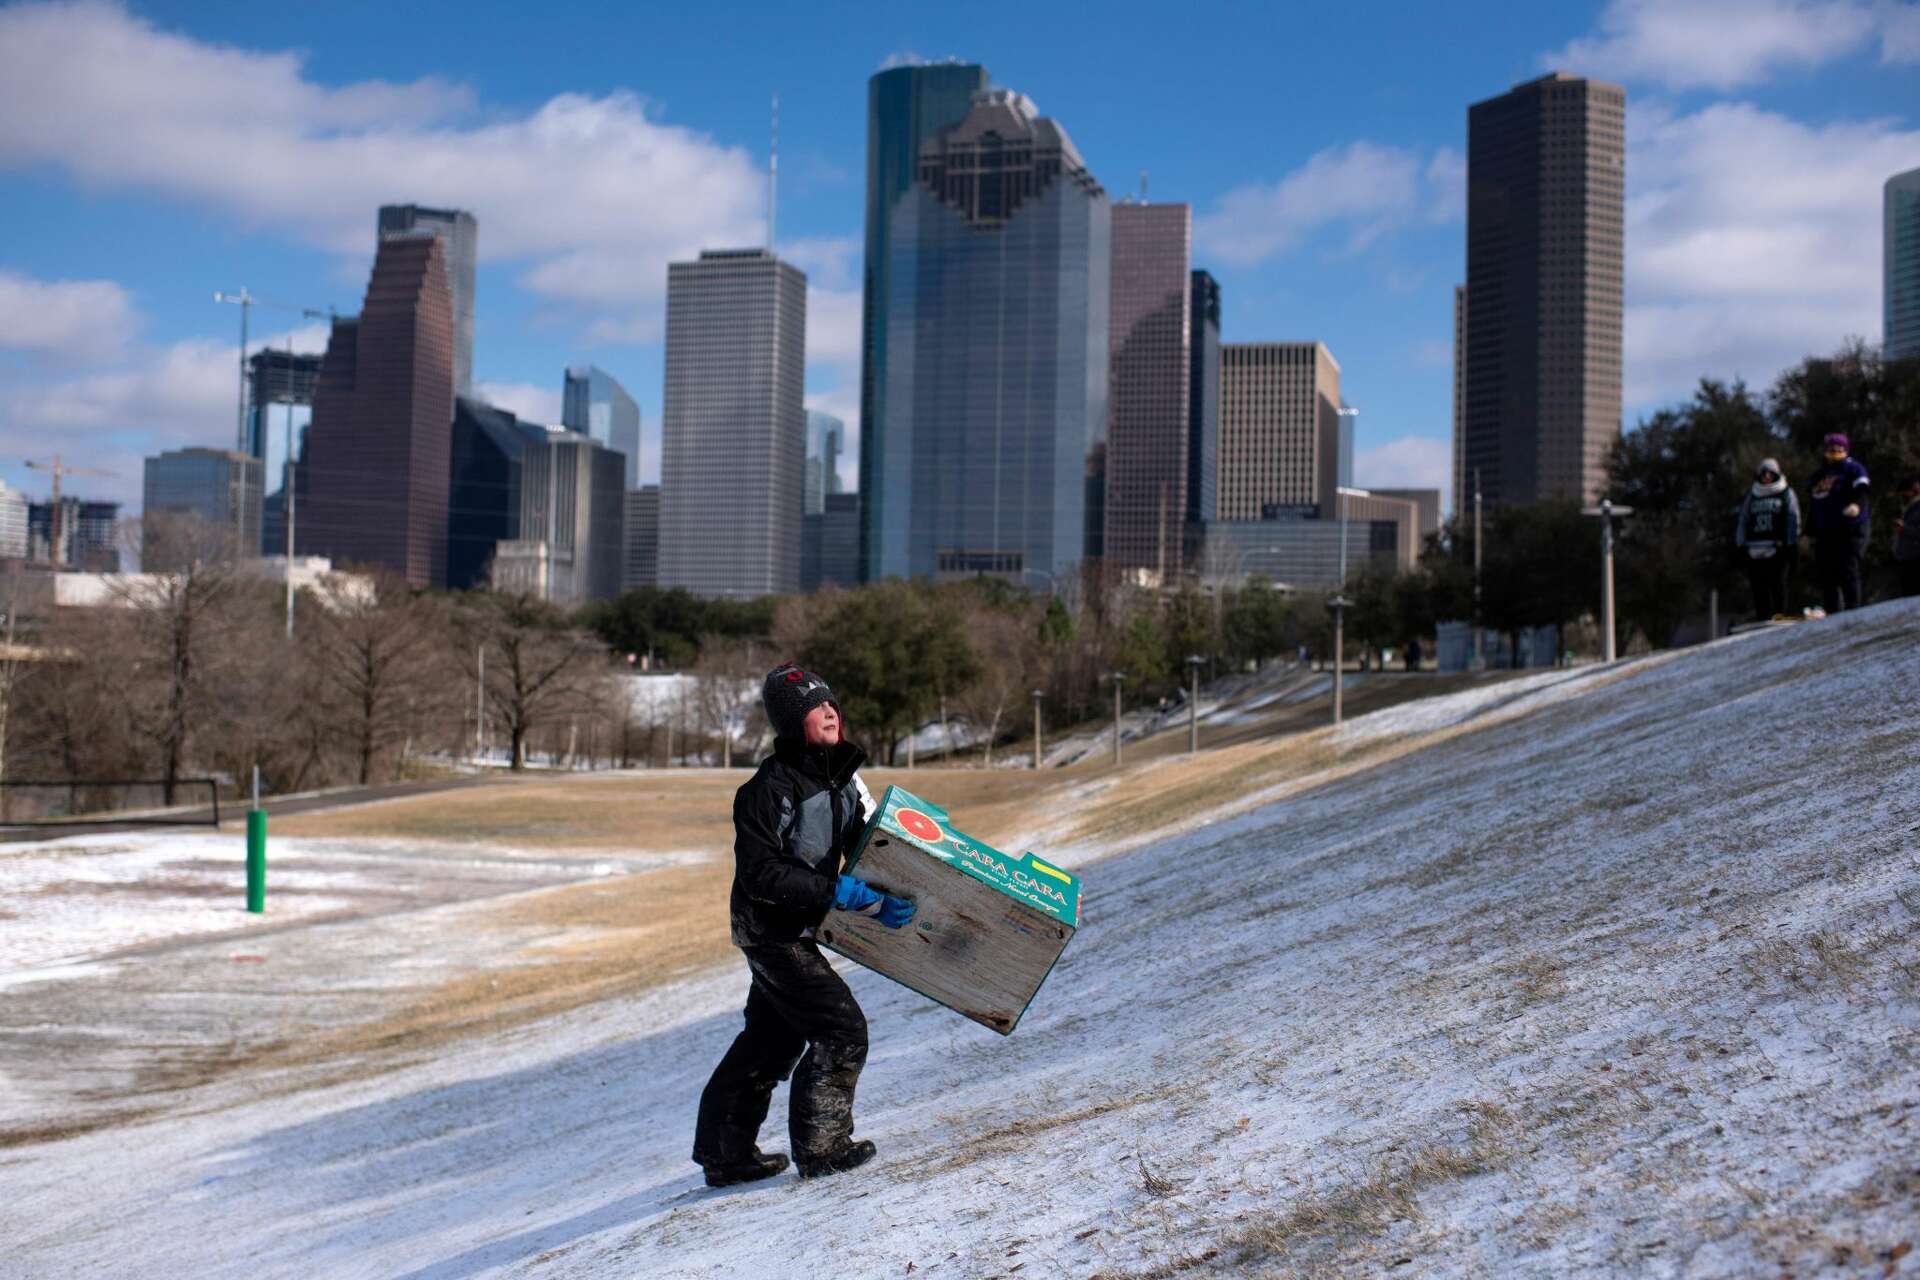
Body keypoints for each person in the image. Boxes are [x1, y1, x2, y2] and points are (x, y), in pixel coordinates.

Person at [691, 664, 915, 1187]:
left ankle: (725, 1154)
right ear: (793, 723)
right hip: (770, 929)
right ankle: (822, 1148)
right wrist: (837, 892)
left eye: (832, 702)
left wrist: (896, 878)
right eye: (816, 707)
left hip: (795, 926)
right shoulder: (768, 789)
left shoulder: (839, 779)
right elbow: (760, 871)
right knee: (840, 1029)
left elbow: (865, 844)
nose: (830, 711)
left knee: (769, 1042)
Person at [1806, 433, 1871, 614]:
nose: (1834, 452)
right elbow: (1814, 502)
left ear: (1846, 450)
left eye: (1839, 449)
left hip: (1849, 528)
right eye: (1831, 449)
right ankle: (1832, 614)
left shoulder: (1854, 469)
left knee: (1848, 569)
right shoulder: (1819, 474)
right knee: (1827, 575)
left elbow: (1863, 490)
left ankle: (1853, 611)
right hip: (1826, 531)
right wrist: (1809, 529)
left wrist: (1856, 505)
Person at [1734, 458, 1801, 621]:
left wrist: (1792, 542)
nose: (1766, 477)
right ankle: (1762, 617)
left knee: (1778, 584)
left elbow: (1793, 517)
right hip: (1754, 548)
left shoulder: (1785, 493)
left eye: (1770, 473)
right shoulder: (1753, 494)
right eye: (1763, 473)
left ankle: (1779, 615)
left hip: (1777, 547)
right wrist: (1740, 543)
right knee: (1759, 587)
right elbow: (1743, 519)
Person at [1895, 475, 1920, 599]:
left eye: (1905, 493)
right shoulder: (1909, 508)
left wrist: (1905, 528)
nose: (1903, 497)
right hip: (1906, 559)